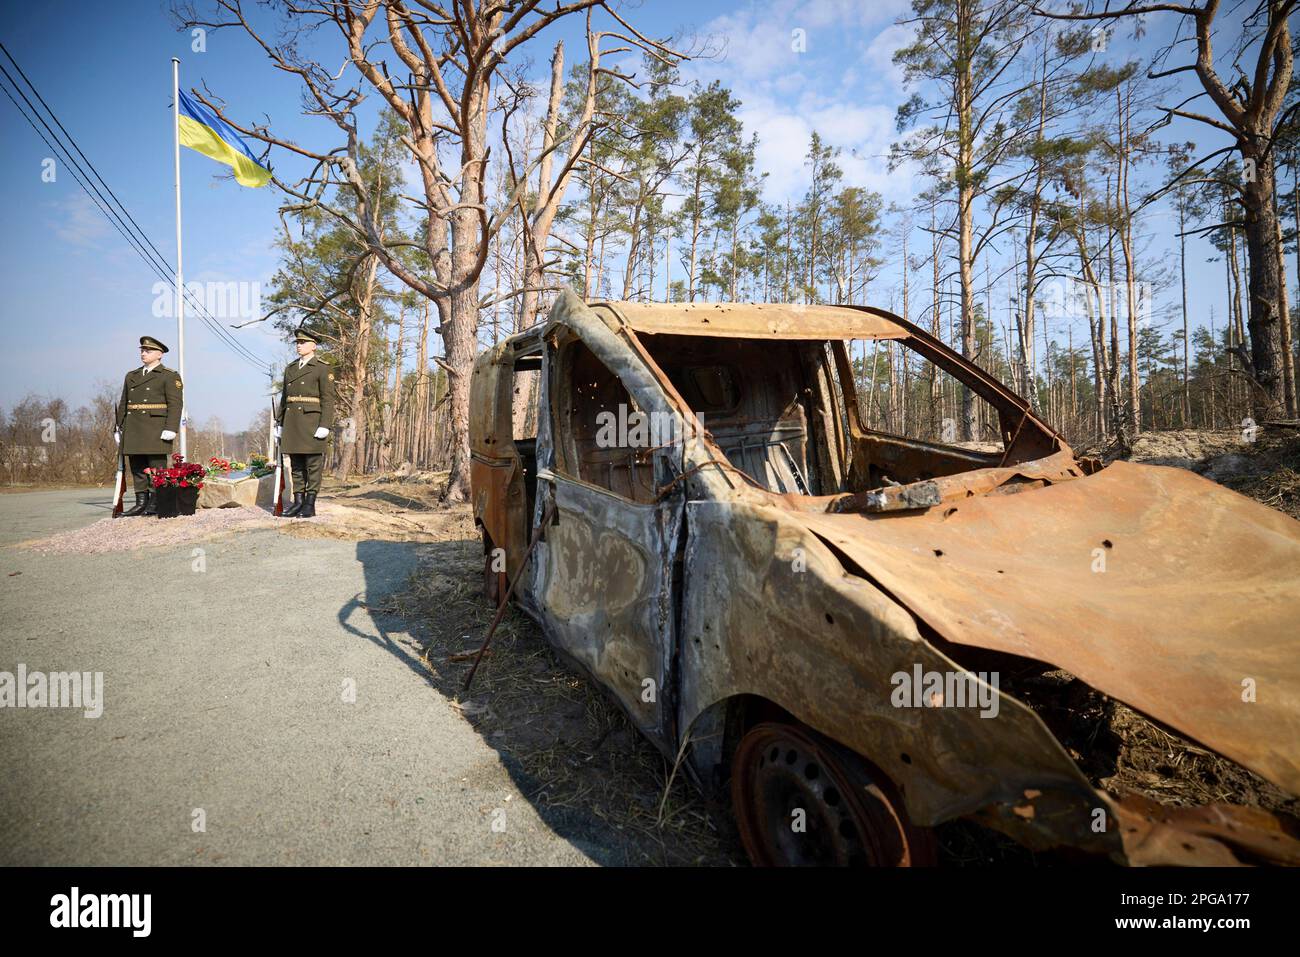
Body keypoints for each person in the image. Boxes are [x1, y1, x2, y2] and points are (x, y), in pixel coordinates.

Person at [115, 336, 183, 517]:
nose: (143, 353)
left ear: (160, 354)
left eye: (148, 351)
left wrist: (171, 427)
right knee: (137, 466)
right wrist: (118, 426)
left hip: (156, 427)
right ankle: (140, 502)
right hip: (134, 427)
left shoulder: (170, 375)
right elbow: (124, 403)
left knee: (156, 467)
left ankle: (156, 501)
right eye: (142, 350)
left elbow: (176, 404)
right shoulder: (132, 375)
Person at [275, 327, 335, 518]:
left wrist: (325, 424)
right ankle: (298, 502)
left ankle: (310, 503)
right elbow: (285, 398)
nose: (299, 346)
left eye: (303, 343)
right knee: (296, 464)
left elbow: (328, 399)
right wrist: (280, 422)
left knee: (313, 464)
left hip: (312, 421)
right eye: (298, 343)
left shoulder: (322, 368)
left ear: (314, 346)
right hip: (292, 422)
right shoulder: (290, 368)